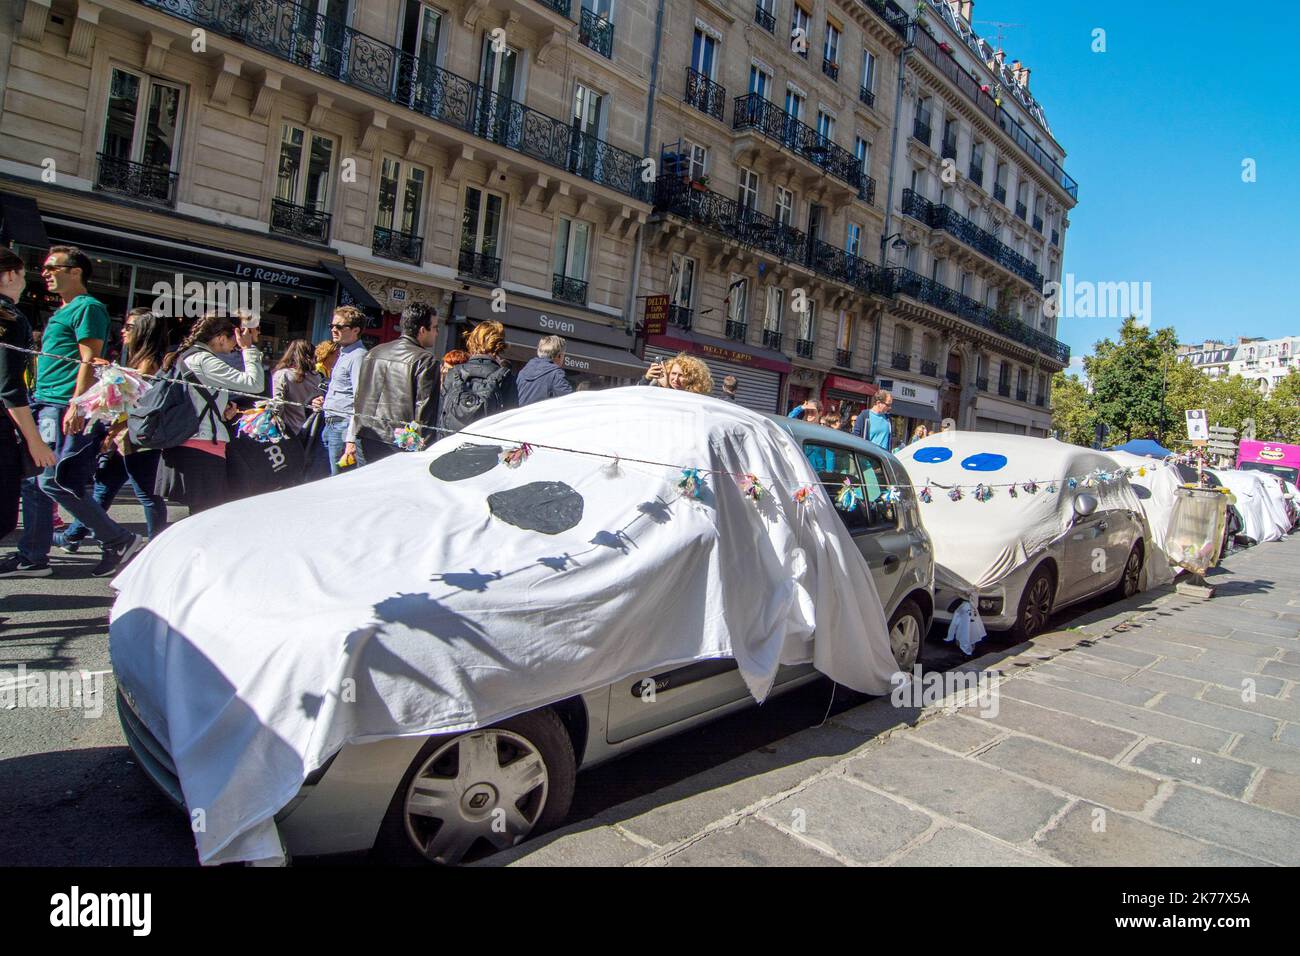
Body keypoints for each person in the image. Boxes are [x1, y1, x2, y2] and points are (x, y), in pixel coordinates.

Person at [0, 245, 146, 578]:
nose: (45, 273)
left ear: (76, 271)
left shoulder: (88, 307)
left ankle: (118, 539)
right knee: (33, 482)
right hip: (42, 400)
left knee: (54, 481)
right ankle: (32, 556)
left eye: (54, 267)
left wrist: (77, 404)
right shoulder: (62, 311)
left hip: (61, 403)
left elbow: (89, 359)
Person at [57, 308, 170, 550]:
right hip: (124, 436)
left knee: (146, 495)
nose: (123, 330)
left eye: (129, 326)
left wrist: (110, 373)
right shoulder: (140, 357)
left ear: (144, 330)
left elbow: (133, 400)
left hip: (137, 438)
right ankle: (73, 535)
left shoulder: (149, 362)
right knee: (105, 485)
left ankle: (156, 547)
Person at [158, 312, 264, 512]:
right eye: (235, 339)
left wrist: (220, 411)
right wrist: (248, 348)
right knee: (205, 512)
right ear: (221, 338)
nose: (235, 345)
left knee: (203, 511)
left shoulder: (191, 356)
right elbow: (254, 383)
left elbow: (195, 398)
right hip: (201, 445)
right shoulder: (203, 359)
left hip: (195, 441)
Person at [0, 248, 57, 549]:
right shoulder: (9, 317)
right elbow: (10, 388)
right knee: (4, 516)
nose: (24, 283)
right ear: (10, 275)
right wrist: (34, 440)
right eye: (22, 276)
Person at [352, 302, 440, 463]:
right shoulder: (425, 360)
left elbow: (358, 395)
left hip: (365, 433)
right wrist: (424, 450)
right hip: (398, 440)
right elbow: (425, 410)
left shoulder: (374, 352)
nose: (437, 333)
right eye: (434, 328)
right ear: (422, 330)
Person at [313, 306, 367, 474]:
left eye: (339, 326)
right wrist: (324, 401)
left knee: (338, 481)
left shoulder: (358, 356)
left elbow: (360, 398)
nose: (334, 330)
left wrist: (351, 439)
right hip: (330, 423)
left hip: (343, 426)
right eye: (332, 326)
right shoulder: (344, 354)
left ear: (356, 330)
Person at [439, 320, 517, 432]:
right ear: (498, 343)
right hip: (487, 445)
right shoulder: (504, 376)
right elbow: (509, 422)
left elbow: (441, 414)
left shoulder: (454, 372)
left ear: (473, 340)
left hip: (452, 443)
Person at [271, 339, 322, 437]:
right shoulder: (317, 377)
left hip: (286, 429)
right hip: (309, 429)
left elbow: (278, 404)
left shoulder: (283, 374)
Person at [516, 335, 573, 407]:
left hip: (522, 416)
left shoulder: (523, 372)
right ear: (559, 355)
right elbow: (570, 403)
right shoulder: (556, 374)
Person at [640, 353, 713, 394]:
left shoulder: (695, 397)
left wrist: (666, 388)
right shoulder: (656, 386)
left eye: (681, 375)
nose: (675, 379)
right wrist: (646, 379)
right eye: (673, 373)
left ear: (692, 378)